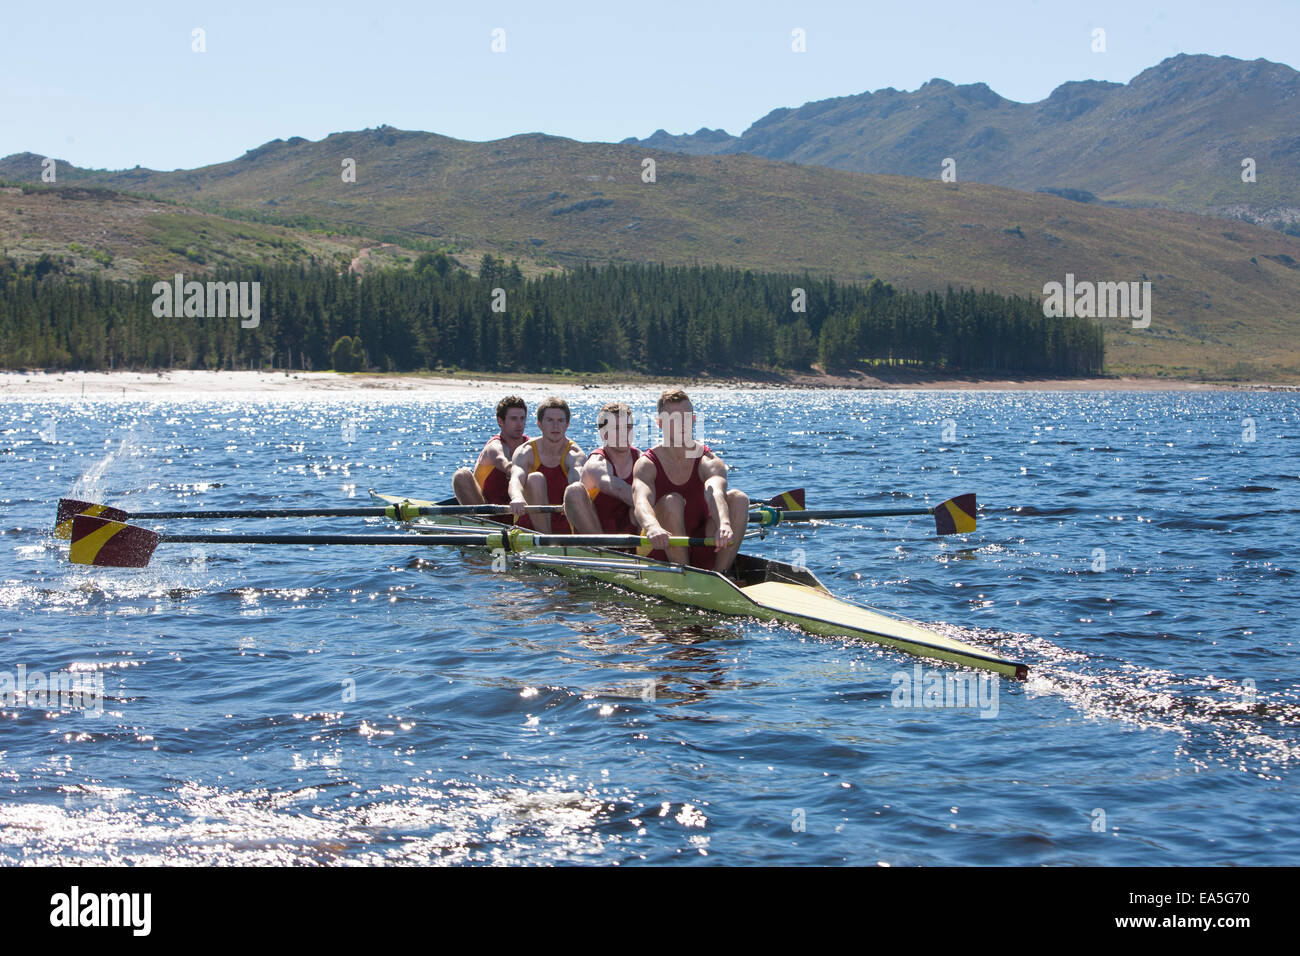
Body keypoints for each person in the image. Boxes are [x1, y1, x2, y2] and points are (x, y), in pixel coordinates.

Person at [632, 389, 748, 571]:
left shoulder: (708, 460)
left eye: (686, 417)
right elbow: (641, 502)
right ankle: (683, 574)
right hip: (661, 547)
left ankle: (720, 574)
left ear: (693, 420)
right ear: (660, 423)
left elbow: (715, 492)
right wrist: (652, 526)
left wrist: (724, 523)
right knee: (672, 501)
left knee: (739, 499)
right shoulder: (647, 464)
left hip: (701, 542)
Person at [508, 396, 585, 534]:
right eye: (550, 420)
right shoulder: (526, 452)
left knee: (576, 489)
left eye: (560, 421)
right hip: (528, 526)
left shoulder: (574, 453)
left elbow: (577, 478)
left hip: (564, 522)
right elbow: (516, 479)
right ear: (539, 424)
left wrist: (573, 495)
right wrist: (516, 497)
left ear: (567, 424)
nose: (555, 426)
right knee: (535, 478)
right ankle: (546, 538)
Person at [564, 402, 641, 534]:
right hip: (596, 534)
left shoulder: (642, 458)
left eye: (628, 427)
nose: (624, 433)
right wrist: (650, 504)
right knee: (574, 490)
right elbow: (616, 487)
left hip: (629, 531)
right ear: (604, 434)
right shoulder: (596, 463)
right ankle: (601, 549)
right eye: (617, 428)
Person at [452, 396, 529, 516]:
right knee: (461, 475)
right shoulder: (494, 447)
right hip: (488, 513)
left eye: (522, 418)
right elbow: (502, 460)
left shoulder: (530, 445)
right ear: (500, 421)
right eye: (513, 419)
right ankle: (479, 521)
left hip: (520, 510)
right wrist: (514, 470)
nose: (519, 424)